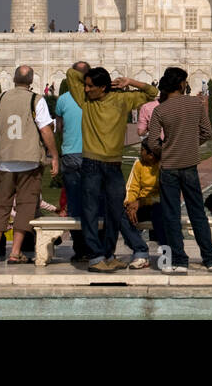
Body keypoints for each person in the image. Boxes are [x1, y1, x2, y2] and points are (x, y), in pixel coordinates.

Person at [59, 66, 157, 271]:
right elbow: (70, 74)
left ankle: (108, 254)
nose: (85, 89)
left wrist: (129, 81)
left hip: (113, 166)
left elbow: (152, 93)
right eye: (85, 85)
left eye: (91, 86)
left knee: (114, 212)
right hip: (91, 164)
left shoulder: (121, 100)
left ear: (103, 87)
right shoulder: (85, 102)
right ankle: (95, 257)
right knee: (91, 212)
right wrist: (89, 73)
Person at [148, 67, 212, 273]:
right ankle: (210, 259)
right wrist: (189, 145)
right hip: (189, 165)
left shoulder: (160, 110)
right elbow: (207, 131)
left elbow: (152, 142)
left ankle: (179, 261)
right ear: (181, 84)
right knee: (197, 213)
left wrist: (167, 150)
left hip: (169, 167)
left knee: (170, 215)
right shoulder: (195, 103)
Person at [0, 65, 59, 265]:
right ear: (32, 80)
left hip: (6, 159)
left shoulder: (0, 98)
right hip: (28, 161)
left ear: (13, 79)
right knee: (26, 206)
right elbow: (45, 130)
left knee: (0, 206)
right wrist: (54, 155)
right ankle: (15, 252)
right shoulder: (36, 100)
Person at [55, 63, 88, 260]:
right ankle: (95, 247)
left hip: (70, 156)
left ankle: (80, 248)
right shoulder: (95, 98)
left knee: (74, 203)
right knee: (94, 202)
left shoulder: (63, 99)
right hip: (92, 155)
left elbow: (58, 127)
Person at [121, 141, 165, 268]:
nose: (140, 153)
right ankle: (141, 252)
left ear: (151, 154)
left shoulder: (163, 165)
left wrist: (141, 202)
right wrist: (129, 205)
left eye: (142, 151)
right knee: (121, 216)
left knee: (160, 213)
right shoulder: (138, 163)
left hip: (158, 205)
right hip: (141, 205)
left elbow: (164, 195)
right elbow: (132, 187)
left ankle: (167, 252)